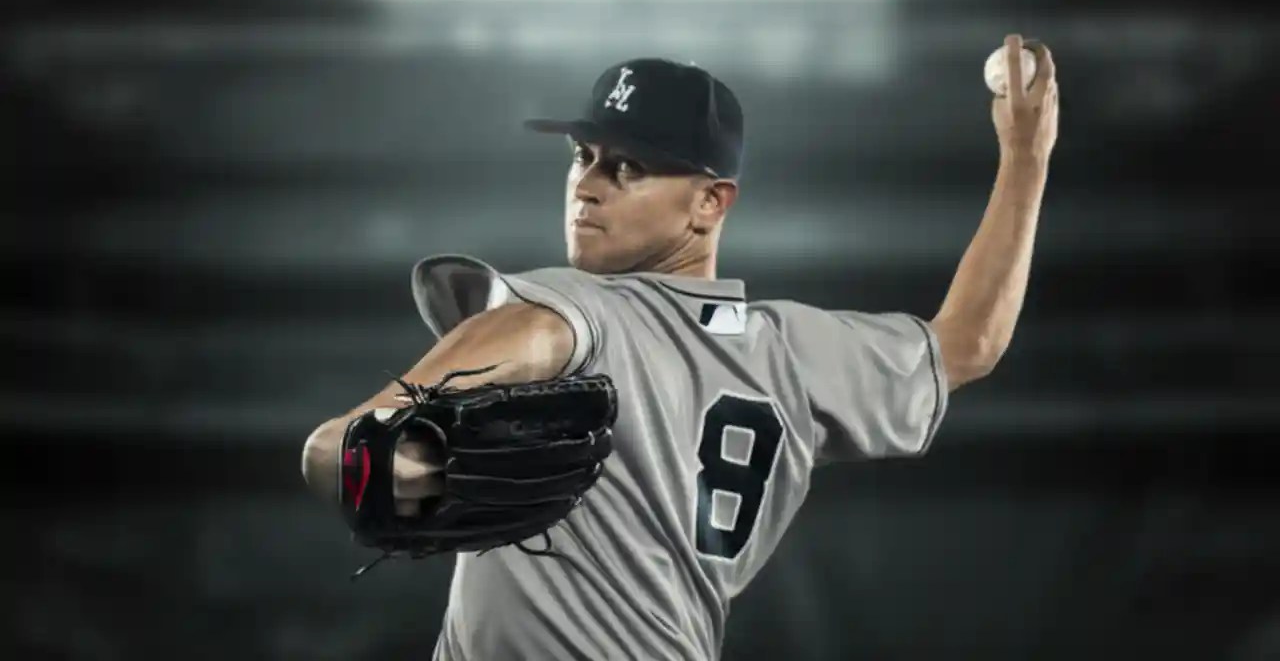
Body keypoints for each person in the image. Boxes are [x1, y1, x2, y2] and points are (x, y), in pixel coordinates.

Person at [300, 33, 1059, 660]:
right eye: (581, 155)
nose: (587, 184)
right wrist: (1025, 159)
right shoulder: (795, 352)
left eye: (626, 166)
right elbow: (969, 342)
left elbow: (334, 451)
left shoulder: (564, 308)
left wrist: (402, 467)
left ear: (710, 201)